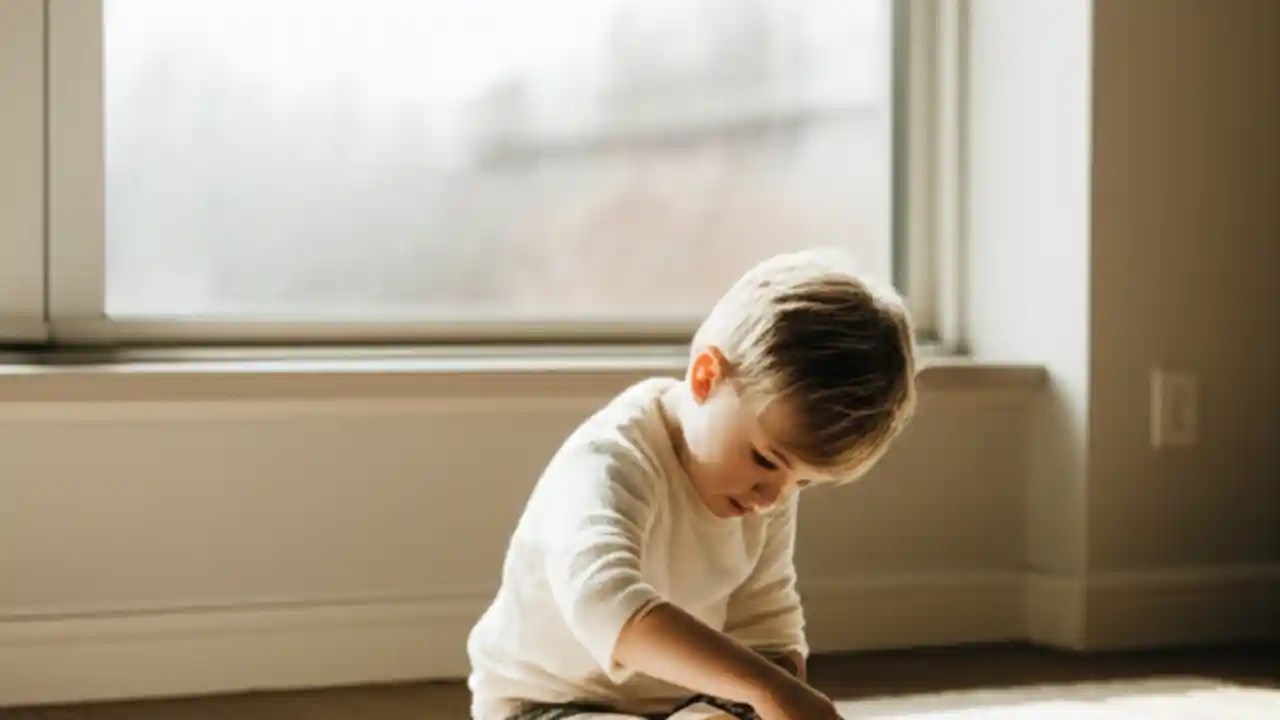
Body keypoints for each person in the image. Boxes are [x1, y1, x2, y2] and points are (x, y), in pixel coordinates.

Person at [468, 249, 918, 719]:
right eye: (765, 460)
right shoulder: (610, 460)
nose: (773, 497)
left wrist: (778, 687)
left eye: (802, 483)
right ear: (707, 377)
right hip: (546, 705)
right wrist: (767, 689)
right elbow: (603, 604)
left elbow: (765, 616)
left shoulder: (763, 489)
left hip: (681, 704)